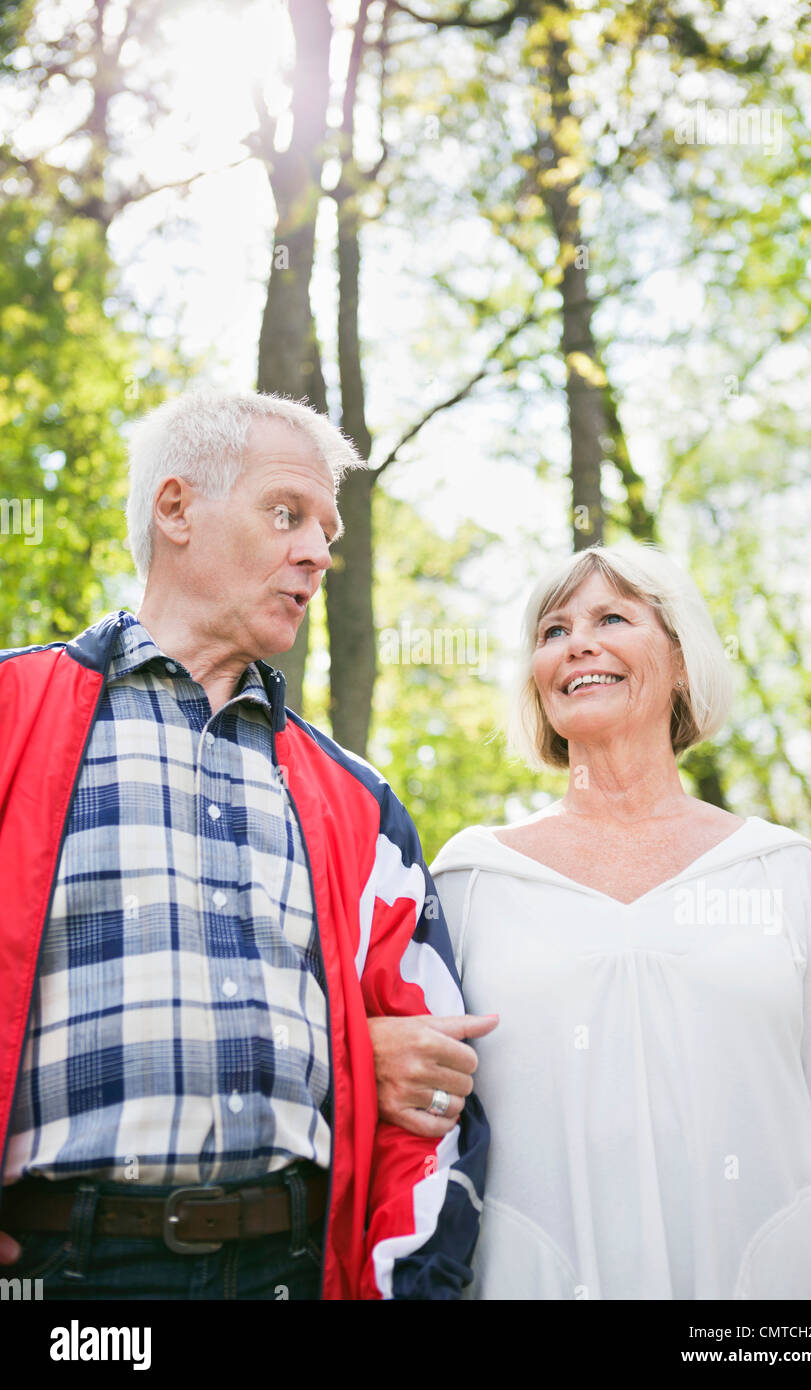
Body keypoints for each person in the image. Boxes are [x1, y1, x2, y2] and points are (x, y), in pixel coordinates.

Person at [0, 388, 491, 1301]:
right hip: (61, 1271)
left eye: (327, 531)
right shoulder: (12, 717)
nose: (317, 552)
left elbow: (436, 1092)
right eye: (286, 513)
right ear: (177, 508)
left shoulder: (358, 799)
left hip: (297, 1268)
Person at [427, 542, 811, 1300]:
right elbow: (420, 1117)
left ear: (684, 659)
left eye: (611, 618)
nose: (578, 644)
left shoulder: (774, 866)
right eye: (552, 631)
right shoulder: (472, 877)